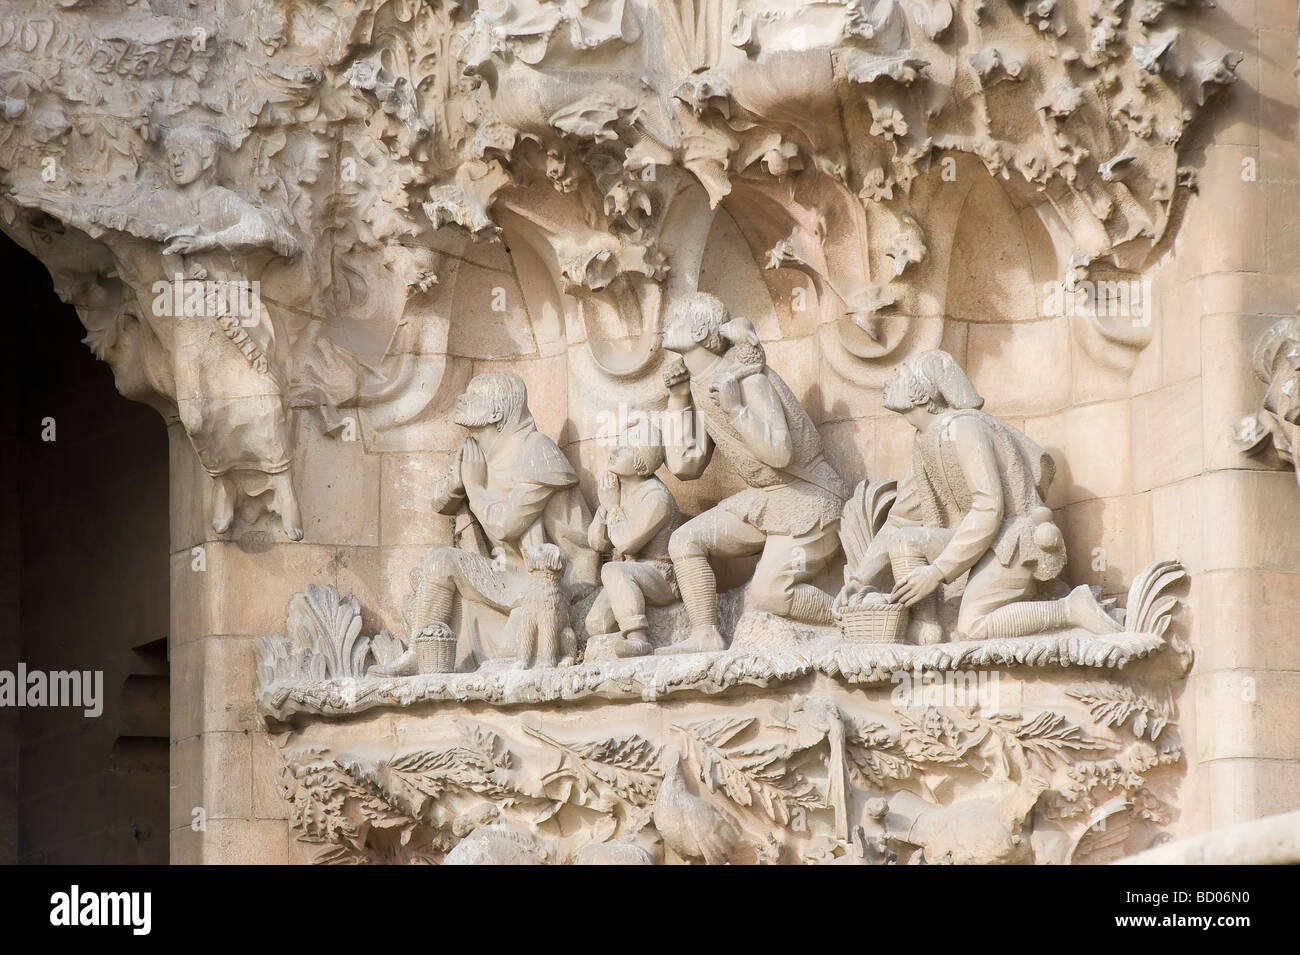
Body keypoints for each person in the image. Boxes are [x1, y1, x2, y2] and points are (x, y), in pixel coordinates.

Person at [836, 349, 1120, 641]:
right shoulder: (924, 440)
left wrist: (936, 572)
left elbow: (989, 509)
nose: (890, 381)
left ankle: (1071, 609)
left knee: (973, 626)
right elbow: (899, 521)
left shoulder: (963, 427)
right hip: (975, 543)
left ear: (922, 395)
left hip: (1010, 541)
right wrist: (859, 580)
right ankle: (927, 629)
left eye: (902, 375)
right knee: (904, 541)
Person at [658, 292, 850, 654]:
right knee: (684, 542)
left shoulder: (747, 379)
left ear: (699, 330)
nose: (667, 327)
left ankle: (844, 615)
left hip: (809, 499)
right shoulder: (701, 384)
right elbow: (686, 467)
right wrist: (677, 400)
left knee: (767, 594)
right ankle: (705, 634)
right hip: (768, 500)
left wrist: (736, 410)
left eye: (676, 320)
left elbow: (779, 452)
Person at [374, 371, 598, 674]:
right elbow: (439, 502)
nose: (462, 400)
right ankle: (418, 652)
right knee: (441, 561)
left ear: (496, 411)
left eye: (474, 396)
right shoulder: (480, 448)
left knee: (514, 644)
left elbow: (506, 526)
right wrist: (460, 482)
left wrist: (475, 488)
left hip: (558, 579)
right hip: (507, 571)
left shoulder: (537, 450)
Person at [584, 442, 682, 657]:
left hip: (660, 575)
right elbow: (597, 543)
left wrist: (612, 508)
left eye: (627, 447)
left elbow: (626, 543)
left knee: (612, 570)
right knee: (596, 624)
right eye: (617, 444)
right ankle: (627, 626)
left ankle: (638, 639)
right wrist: (605, 509)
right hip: (631, 572)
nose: (615, 450)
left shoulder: (657, 498)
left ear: (641, 464)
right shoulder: (618, 489)